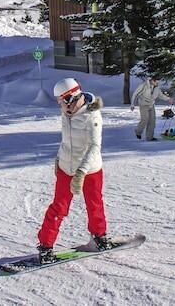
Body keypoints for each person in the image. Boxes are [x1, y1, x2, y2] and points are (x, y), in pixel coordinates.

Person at [36, 77, 111, 264]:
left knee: (94, 204)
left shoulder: (92, 116)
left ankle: (99, 237)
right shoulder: (67, 112)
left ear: (71, 98)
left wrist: (81, 172)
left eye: (62, 101)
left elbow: (94, 147)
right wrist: (58, 158)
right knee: (58, 208)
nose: (61, 106)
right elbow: (66, 141)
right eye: (59, 102)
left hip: (90, 170)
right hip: (66, 168)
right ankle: (45, 247)